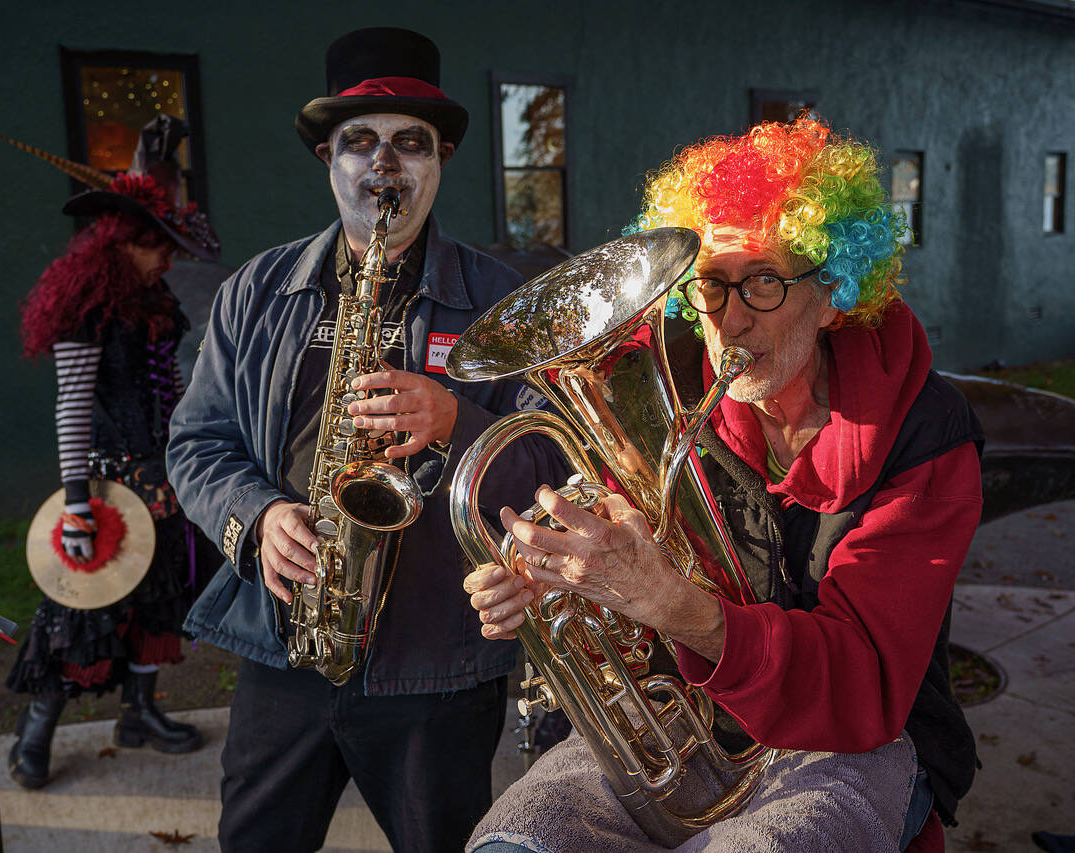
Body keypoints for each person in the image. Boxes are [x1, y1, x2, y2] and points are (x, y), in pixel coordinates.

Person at [464, 115, 983, 852]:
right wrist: (565, 584)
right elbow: (638, 628)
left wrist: (673, 604)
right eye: (710, 283)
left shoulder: (926, 433)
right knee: (513, 843)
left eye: (765, 281)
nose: (730, 320)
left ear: (833, 291)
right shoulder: (668, 388)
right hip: (691, 718)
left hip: (860, 740)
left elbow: (862, 687)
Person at [167, 27, 565, 853]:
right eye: (361, 142)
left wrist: (461, 423)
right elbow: (196, 444)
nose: (384, 164)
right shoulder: (258, 289)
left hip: (440, 666)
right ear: (328, 159)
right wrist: (259, 515)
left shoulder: (502, 299)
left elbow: (561, 463)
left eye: (410, 143)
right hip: (287, 649)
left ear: (442, 158)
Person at [5, 127, 222, 790]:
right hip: (106, 483)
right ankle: (35, 729)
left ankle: (141, 713)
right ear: (119, 240)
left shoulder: (154, 303)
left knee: (159, 600)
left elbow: (170, 391)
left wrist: (185, 449)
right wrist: (75, 501)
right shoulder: (86, 305)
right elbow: (71, 404)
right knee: (85, 604)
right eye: (158, 246)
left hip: (159, 479)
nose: (167, 260)